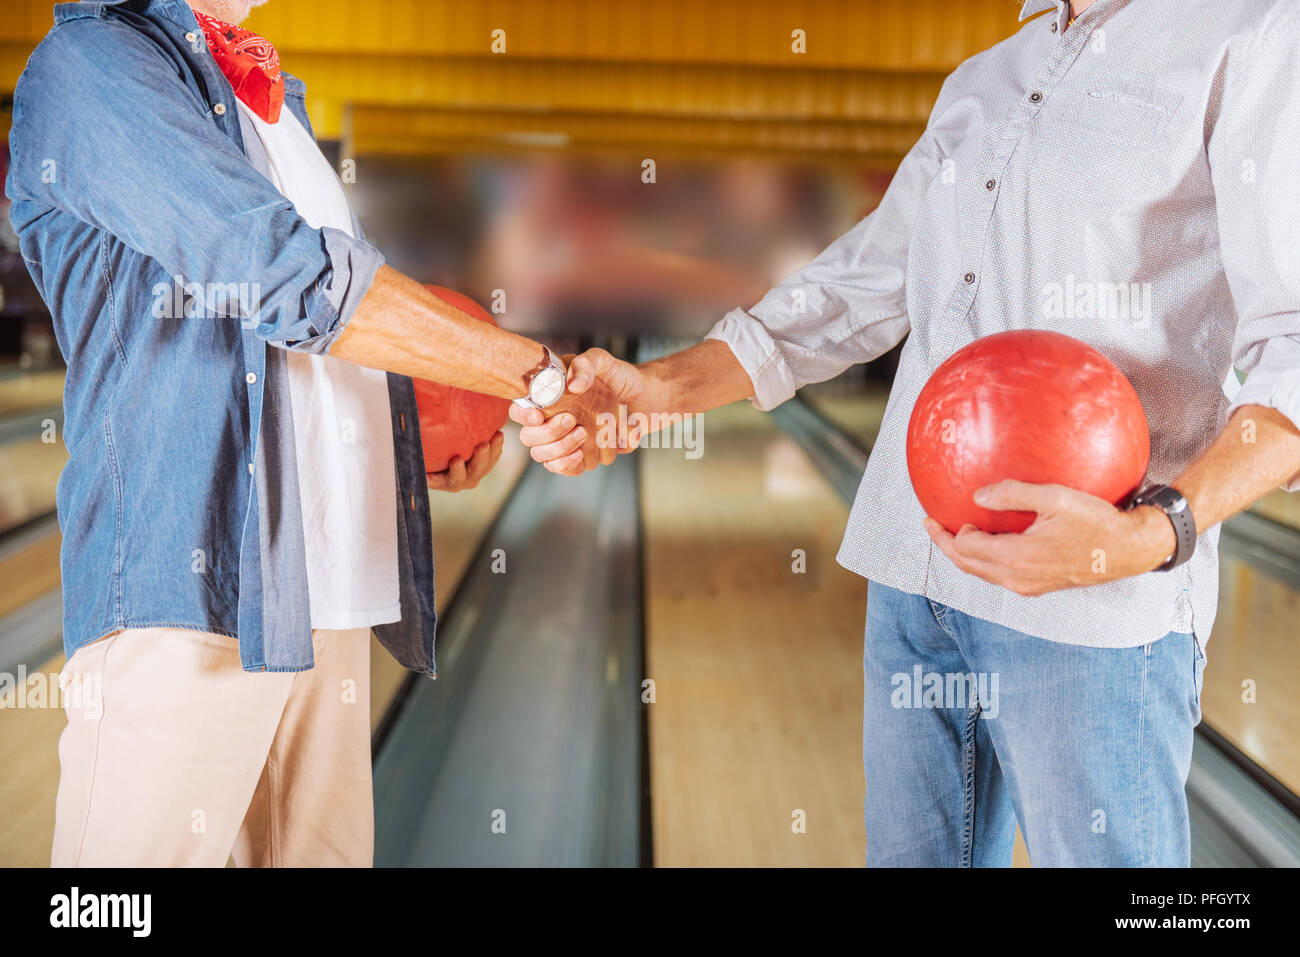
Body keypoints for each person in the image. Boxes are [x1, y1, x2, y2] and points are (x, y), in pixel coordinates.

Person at [518, 0, 1300, 866]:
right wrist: (655, 385)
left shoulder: (1249, 32)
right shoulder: (985, 78)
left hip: (1089, 605)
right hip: (916, 572)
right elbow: (860, 287)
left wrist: (1159, 531)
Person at [4, 0, 617, 866]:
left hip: (325, 606)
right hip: (189, 600)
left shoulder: (273, 105)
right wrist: (535, 374)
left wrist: (406, 445)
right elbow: (286, 275)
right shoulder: (94, 64)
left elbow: (312, 356)